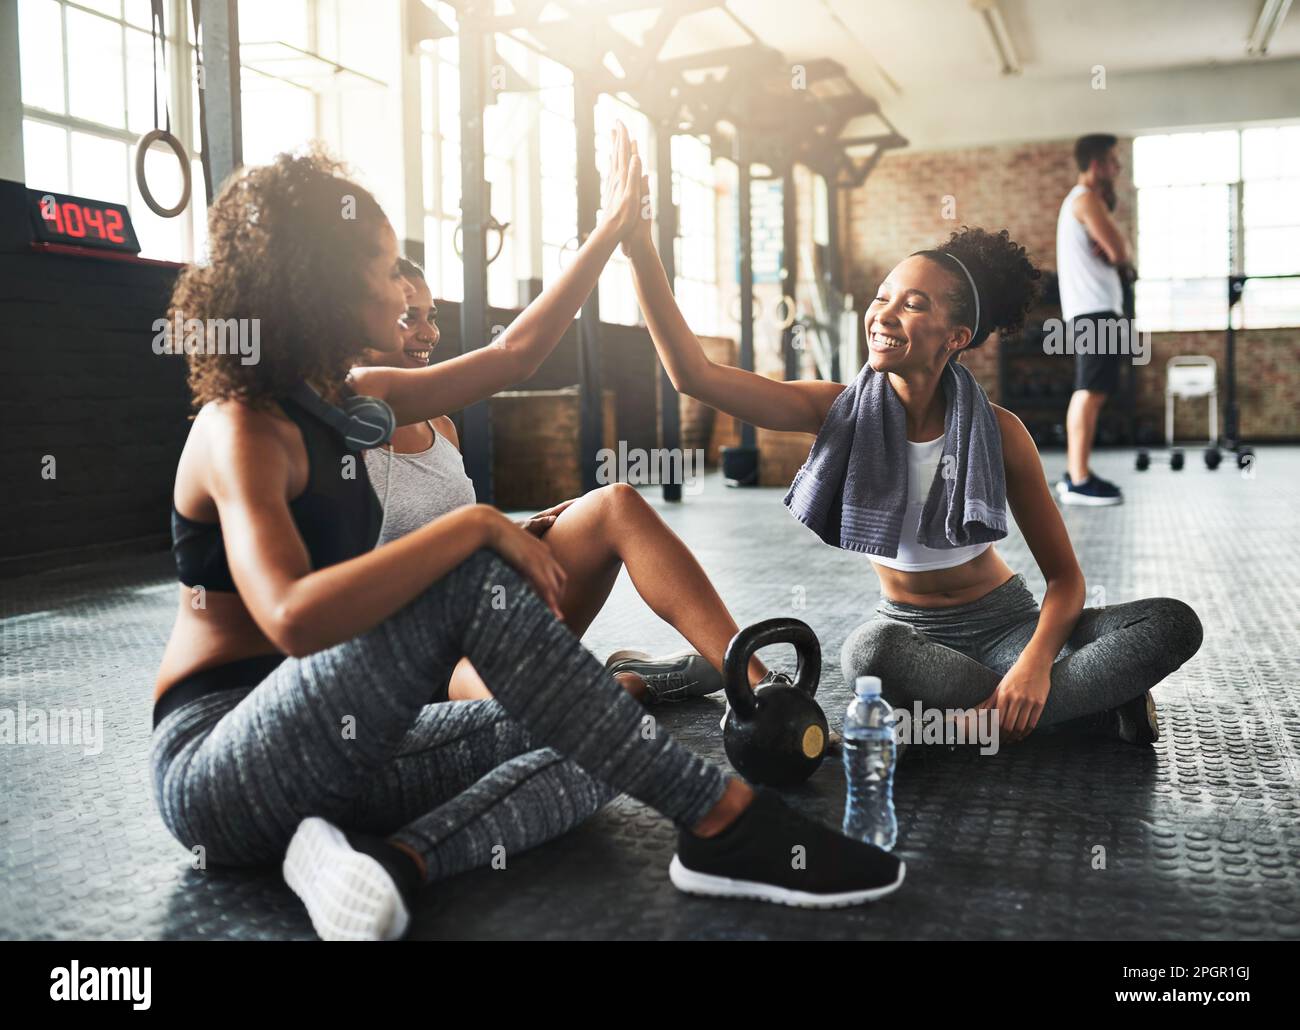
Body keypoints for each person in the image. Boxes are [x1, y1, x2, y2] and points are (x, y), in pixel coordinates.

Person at [149, 135, 903, 942]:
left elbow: (513, 353)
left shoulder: (351, 398)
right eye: (381, 261)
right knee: (474, 575)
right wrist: (474, 529)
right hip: (221, 769)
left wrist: (612, 229)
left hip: (346, 750)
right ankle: (724, 822)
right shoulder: (244, 427)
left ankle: (392, 861)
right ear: (321, 281)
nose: (398, 283)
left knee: (596, 726)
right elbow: (292, 616)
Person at [623, 198, 1202, 746]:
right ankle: (1082, 713)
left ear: (956, 337)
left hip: (1008, 629)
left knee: (1170, 623)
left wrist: (1032, 667)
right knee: (867, 653)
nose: (883, 315)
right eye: (883, 296)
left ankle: (980, 724)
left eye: (913, 304)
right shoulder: (835, 411)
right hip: (911, 642)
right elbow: (694, 376)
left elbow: (1066, 583)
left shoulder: (1001, 434)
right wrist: (640, 249)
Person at [357, 256, 771, 705]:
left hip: (489, 617)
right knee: (523, 711)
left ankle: (760, 686)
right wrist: (608, 232)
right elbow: (511, 357)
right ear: (362, 322)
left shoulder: (441, 426)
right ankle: (610, 690)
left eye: (431, 317)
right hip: (425, 660)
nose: (429, 333)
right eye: (407, 318)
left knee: (615, 504)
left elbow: (452, 534)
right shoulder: (347, 417)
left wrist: (510, 538)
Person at [1055, 133, 1135, 506]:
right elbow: (1121, 252)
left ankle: (1077, 473)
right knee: (1090, 391)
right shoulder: (1085, 199)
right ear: (1098, 164)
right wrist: (1121, 250)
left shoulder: (1085, 201)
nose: (1117, 169)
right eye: (1114, 162)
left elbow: (1117, 251)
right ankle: (1078, 479)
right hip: (1094, 309)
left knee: (1093, 391)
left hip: (1095, 308)